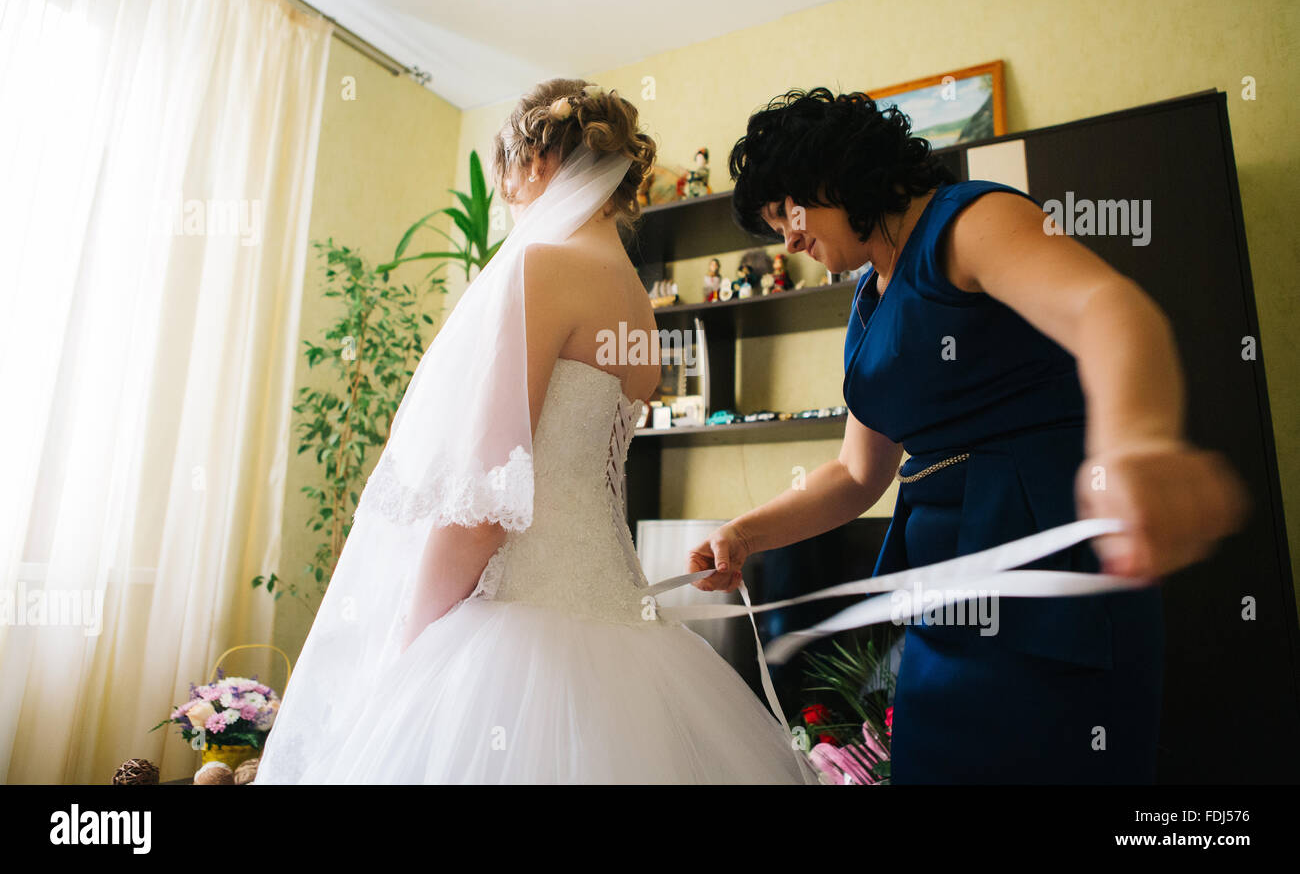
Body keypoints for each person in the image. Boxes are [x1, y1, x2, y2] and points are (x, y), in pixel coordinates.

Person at [253, 79, 816, 784]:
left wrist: (410, 647)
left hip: (515, 632)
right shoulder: (639, 306)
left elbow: (488, 500)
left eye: (511, 179)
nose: (512, 200)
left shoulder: (541, 267)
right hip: (624, 632)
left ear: (539, 162)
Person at [689, 87, 1249, 784]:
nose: (790, 241)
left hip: (1040, 563)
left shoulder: (970, 221)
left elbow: (1107, 309)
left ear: (834, 174)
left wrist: (1136, 442)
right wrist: (745, 535)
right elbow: (858, 475)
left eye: (790, 215)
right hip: (944, 584)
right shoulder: (868, 299)